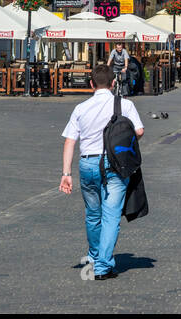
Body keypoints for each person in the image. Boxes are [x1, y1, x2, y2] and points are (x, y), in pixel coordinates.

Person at [58, 65, 144, 280]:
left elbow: (70, 141)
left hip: (87, 164)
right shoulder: (125, 104)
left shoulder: (81, 108)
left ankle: (95, 257)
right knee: (110, 215)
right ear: (113, 84)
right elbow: (139, 131)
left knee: (93, 214)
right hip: (113, 164)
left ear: (91, 84)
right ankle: (102, 267)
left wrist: (66, 173)